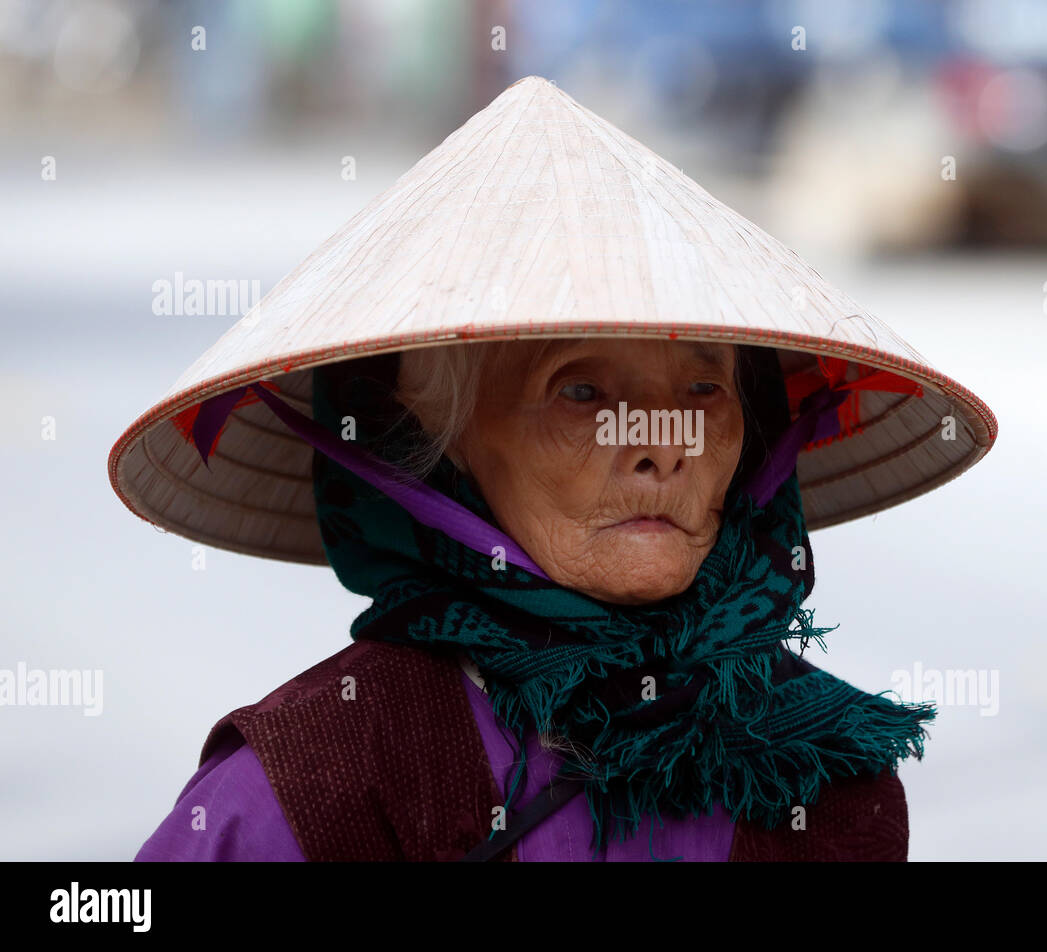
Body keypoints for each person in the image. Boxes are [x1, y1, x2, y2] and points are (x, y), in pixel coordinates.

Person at [112, 76, 997, 862]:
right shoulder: (314, 784)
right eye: (580, 392)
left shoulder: (827, 775)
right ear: (444, 441)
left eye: (703, 390)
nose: (662, 444)